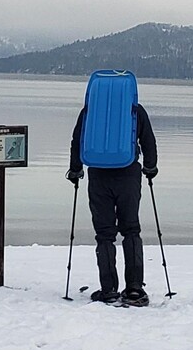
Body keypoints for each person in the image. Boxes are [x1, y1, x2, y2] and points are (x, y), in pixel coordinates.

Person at [66, 70, 159, 306]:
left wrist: (75, 170)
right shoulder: (135, 110)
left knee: (105, 234)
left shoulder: (90, 111)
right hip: (128, 174)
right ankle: (135, 289)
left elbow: (78, 141)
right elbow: (148, 140)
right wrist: (150, 167)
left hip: (98, 174)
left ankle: (108, 289)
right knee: (131, 229)